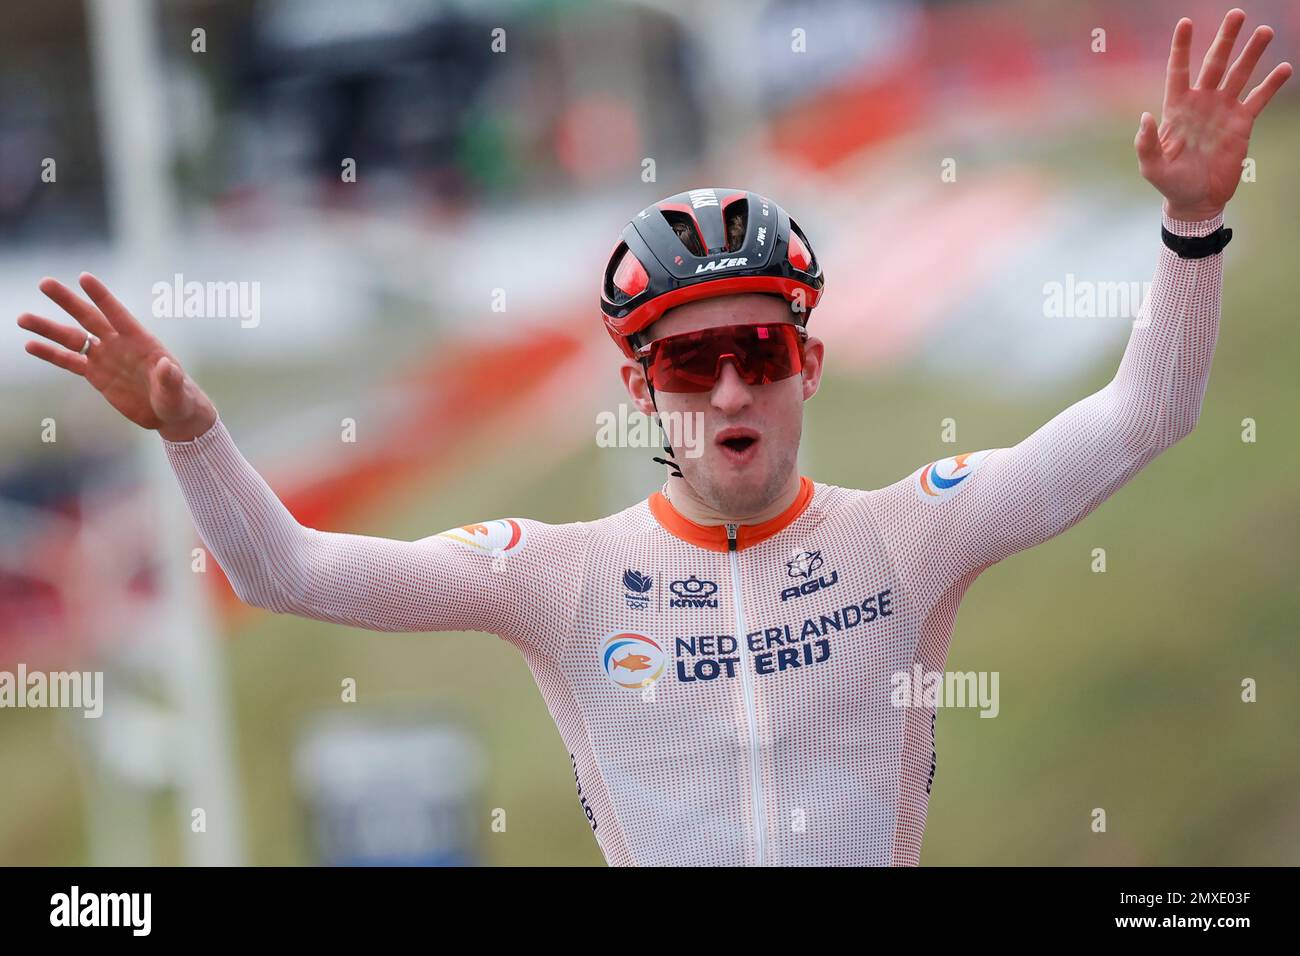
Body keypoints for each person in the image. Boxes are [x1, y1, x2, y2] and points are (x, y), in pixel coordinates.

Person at [16, 11, 1290, 866]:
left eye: (762, 351)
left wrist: (1191, 232)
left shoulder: (914, 531)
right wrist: (189, 433)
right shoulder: (554, 575)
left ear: (811, 366)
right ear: (640, 389)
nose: (729, 389)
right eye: (690, 358)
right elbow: (281, 571)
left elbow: (1147, 415)